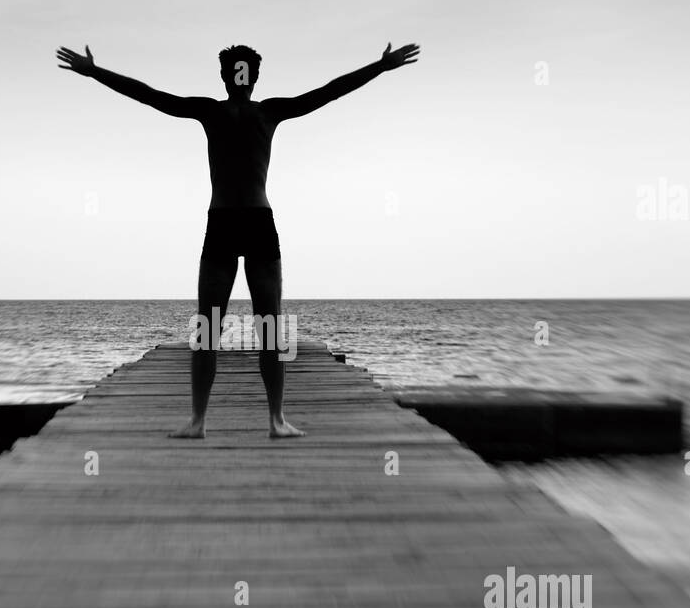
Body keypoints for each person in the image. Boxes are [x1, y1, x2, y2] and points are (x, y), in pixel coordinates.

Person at [56, 41, 420, 438]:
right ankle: (262, 421)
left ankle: (220, 422)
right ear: (248, 76)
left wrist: (96, 72)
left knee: (218, 327)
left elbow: (154, 97)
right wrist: (380, 67)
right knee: (256, 326)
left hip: (232, 221)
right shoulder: (262, 111)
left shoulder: (219, 111)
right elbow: (328, 92)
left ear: (227, 76)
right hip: (246, 221)